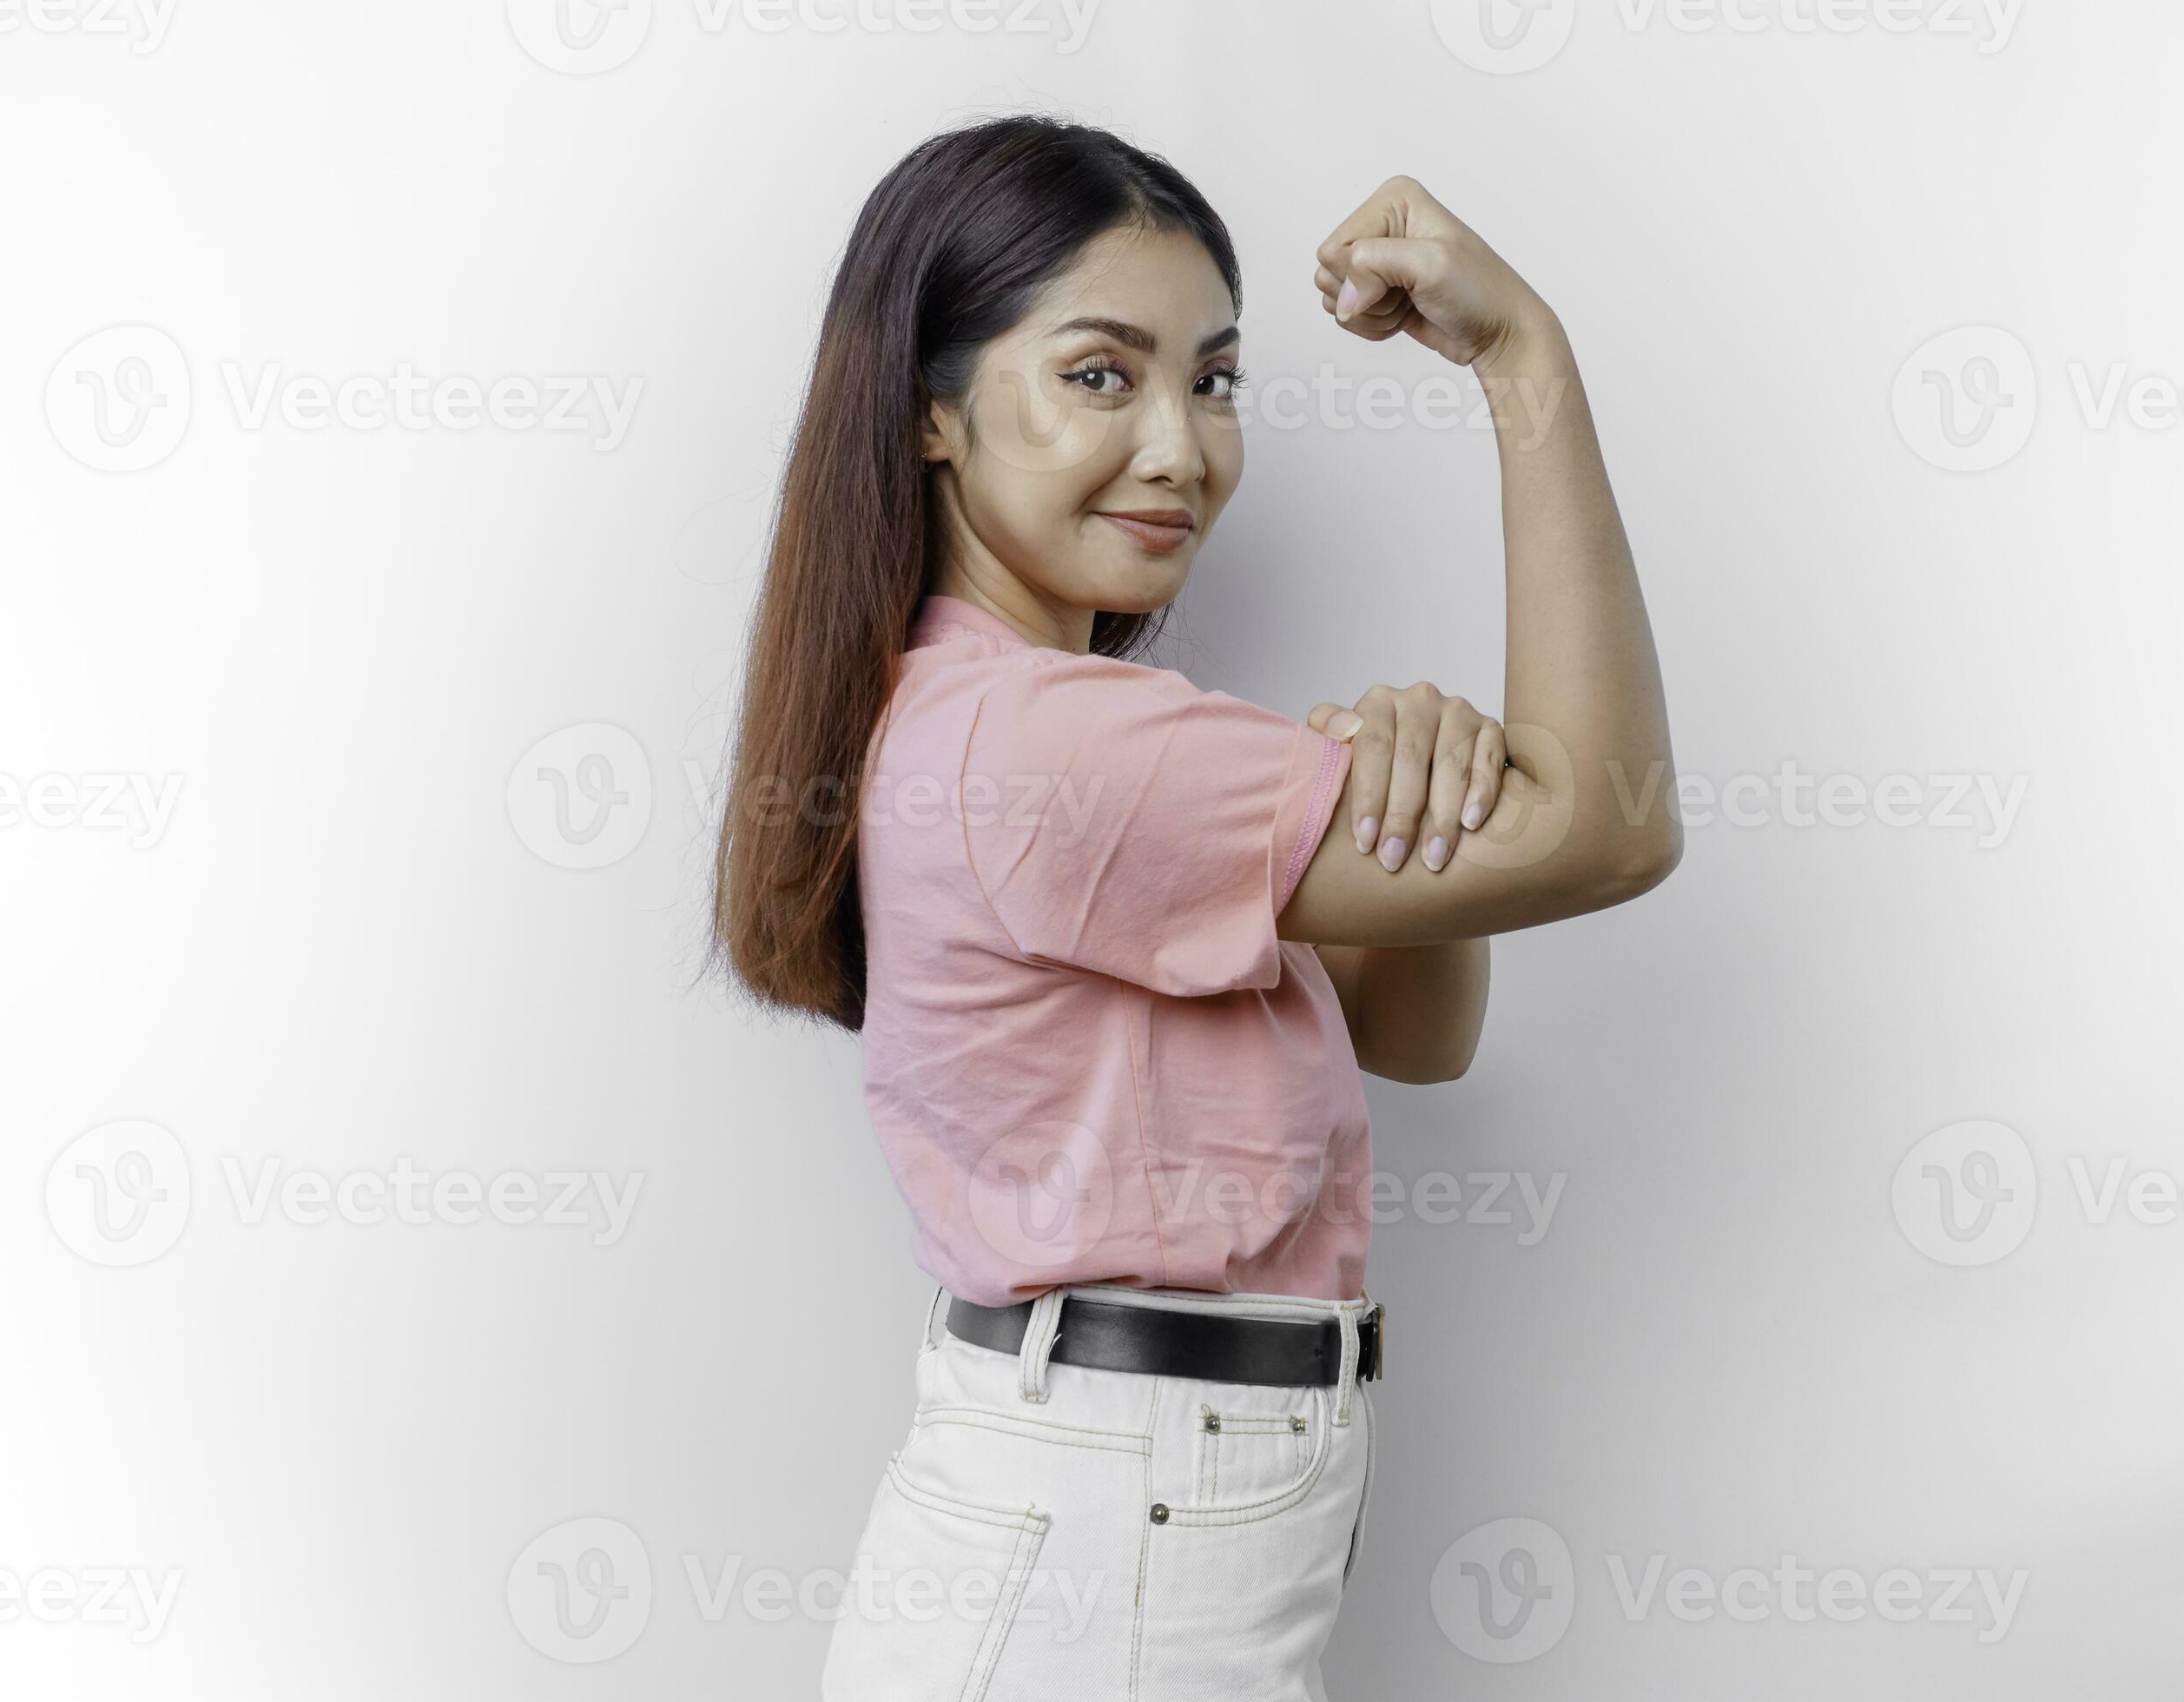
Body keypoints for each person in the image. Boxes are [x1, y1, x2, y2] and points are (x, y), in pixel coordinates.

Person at [710, 113, 1679, 1701]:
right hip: (1114, 1534)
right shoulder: (1051, 745)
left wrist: (1406, 775)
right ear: (931, 412)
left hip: (1120, 1515)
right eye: (1102, 374)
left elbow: (1412, 1031)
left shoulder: (1014, 724)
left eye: (1214, 380)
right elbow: (1611, 832)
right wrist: (1525, 360)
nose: (1180, 445)